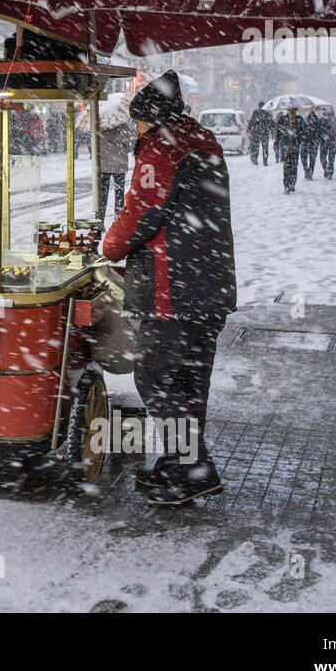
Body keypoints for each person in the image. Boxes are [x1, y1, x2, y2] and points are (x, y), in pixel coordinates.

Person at [101, 70, 235, 506]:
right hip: (210, 283)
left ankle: (194, 467)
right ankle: (182, 464)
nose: (135, 130)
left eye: (138, 122)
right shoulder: (204, 140)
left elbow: (140, 215)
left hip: (172, 287)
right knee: (190, 380)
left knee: (155, 376)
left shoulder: (163, 150)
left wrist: (109, 246)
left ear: (152, 118)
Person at [94, 112, 134, 225]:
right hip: (119, 165)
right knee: (119, 193)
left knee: (102, 194)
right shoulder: (123, 127)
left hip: (103, 164)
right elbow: (131, 145)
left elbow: (94, 144)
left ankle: (99, 220)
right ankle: (118, 219)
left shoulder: (100, 126)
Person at [275, 106, 303, 194]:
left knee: (294, 166)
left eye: (294, 110)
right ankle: (286, 186)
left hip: (295, 146)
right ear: (288, 110)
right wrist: (276, 143)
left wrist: (300, 137)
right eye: (291, 110)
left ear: (296, 110)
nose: (292, 112)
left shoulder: (299, 119)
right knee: (286, 166)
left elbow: (303, 131)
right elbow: (278, 133)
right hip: (285, 146)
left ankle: (292, 184)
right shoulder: (283, 119)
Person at [246, 101, 272, 166]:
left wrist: (249, 129)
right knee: (265, 148)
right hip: (265, 133)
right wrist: (271, 130)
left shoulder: (255, 112)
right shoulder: (268, 113)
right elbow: (270, 123)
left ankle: (255, 159)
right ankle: (265, 161)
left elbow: (252, 121)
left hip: (256, 132)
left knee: (256, 147)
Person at [300, 111, 320, 180]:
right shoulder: (305, 124)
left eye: (313, 118)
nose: (312, 120)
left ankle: (310, 173)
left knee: (312, 160)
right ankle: (306, 171)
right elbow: (302, 132)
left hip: (312, 144)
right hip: (306, 143)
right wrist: (302, 140)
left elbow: (319, 134)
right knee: (303, 158)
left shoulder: (317, 125)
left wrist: (317, 141)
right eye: (311, 118)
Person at [317, 108, 335, 179]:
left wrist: (333, 139)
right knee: (323, 158)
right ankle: (327, 170)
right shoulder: (320, 121)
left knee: (330, 158)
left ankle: (329, 172)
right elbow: (318, 131)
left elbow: (335, 131)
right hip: (324, 141)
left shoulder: (332, 121)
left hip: (330, 142)